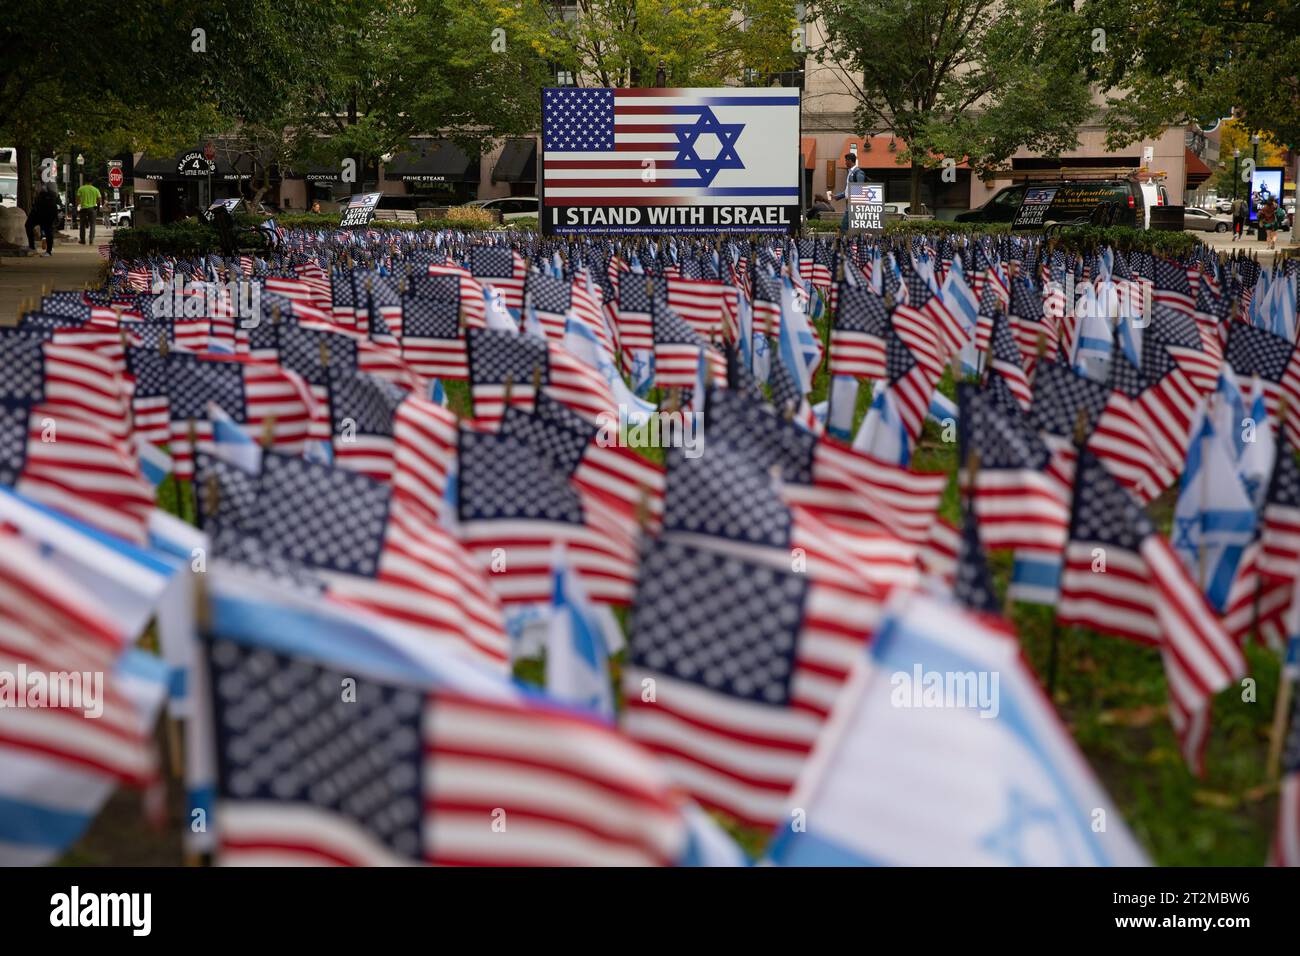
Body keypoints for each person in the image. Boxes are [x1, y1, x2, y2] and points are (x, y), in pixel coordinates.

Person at [827, 151, 866, 230]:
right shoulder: (850, 173)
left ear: (850, 160)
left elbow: (860, 188)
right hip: (850, 203)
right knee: (852, 226)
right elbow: (847, 191)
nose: (845, 162)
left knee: (845, 225)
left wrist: (853, 199)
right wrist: (836, 197)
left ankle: (843, 237)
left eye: (846, 160)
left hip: (854, 204)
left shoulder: (858, 172)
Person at [25, 184, 59, 256]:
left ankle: (48, 250)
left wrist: (42, 191)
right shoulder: (39, 182)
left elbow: (55, 194)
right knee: (28, 225)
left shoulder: (50, 181)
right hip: (38, 209)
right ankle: (32, 246)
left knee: (47, 229)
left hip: (47, 208)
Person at [75, 179, 101, 244]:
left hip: (83, 208)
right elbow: (99, 198)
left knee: (82, 224)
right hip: (92, 208)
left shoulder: (81, 189)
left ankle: (82, 240)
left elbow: (77, 199)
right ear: (91, 182)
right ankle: (91, 239)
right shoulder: (95, 189)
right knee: (92, 224)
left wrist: (79, 204)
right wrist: (95, 202)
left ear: (85, 182)